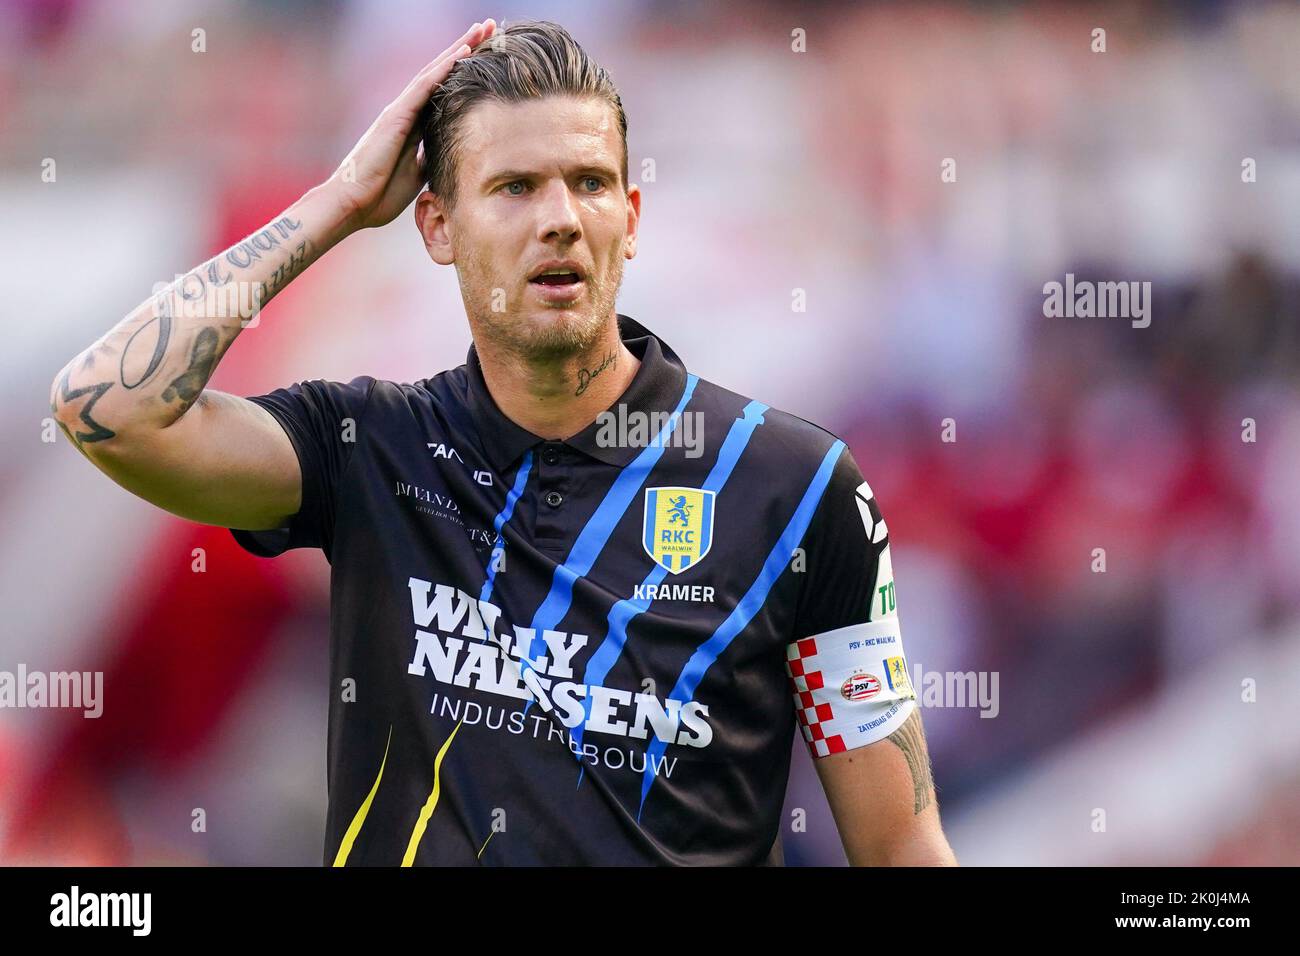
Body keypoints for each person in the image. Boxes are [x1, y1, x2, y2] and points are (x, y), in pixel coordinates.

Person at [49, 18, 956, 867]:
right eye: (515, 188)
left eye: (590, 183)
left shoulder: (797, 489)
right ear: (436, 224)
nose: (559, 217)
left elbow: (903, 850)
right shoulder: (371, 448)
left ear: (632, 217)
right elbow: (108, 409)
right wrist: (341, 201)